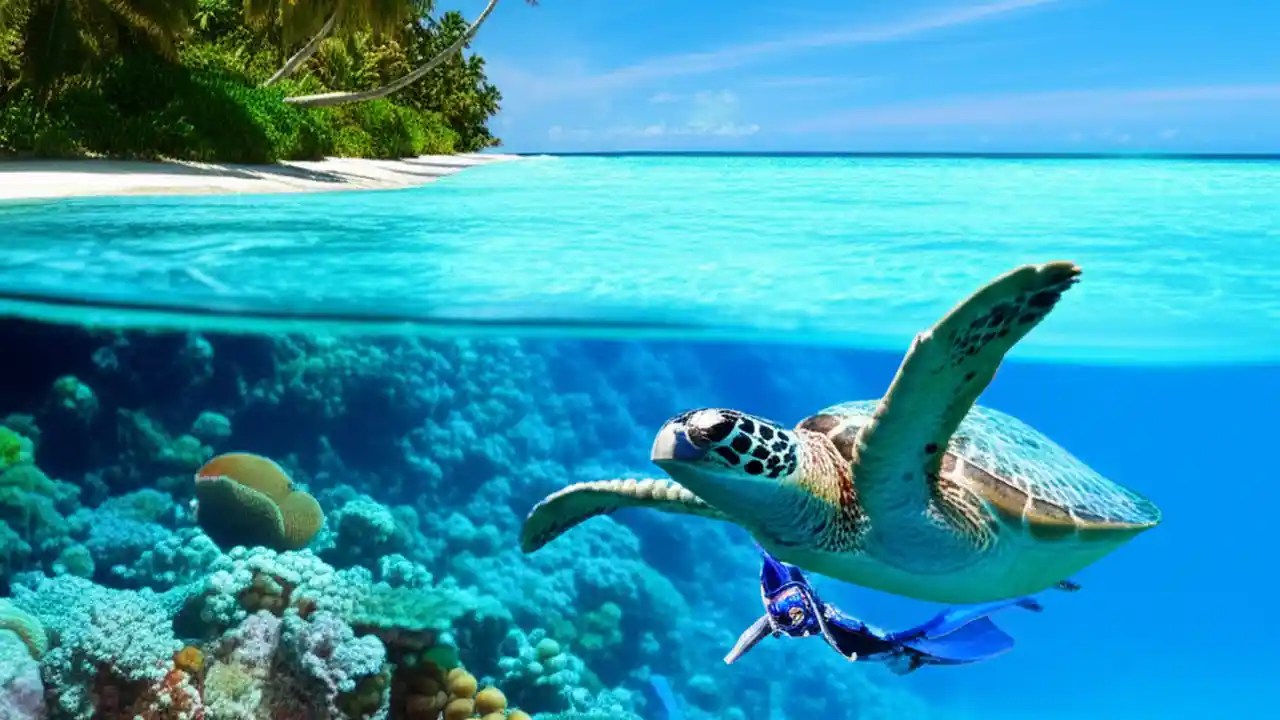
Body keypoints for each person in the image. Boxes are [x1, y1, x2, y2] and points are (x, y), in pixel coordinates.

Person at [725, 546, 1043, 674]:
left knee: (939, 625)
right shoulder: (909, 638)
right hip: (883, 627)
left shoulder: (907, 637)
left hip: (885, 624)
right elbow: (763, 625)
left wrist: (1013, 596)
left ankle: (1021, 587)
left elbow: (764, 625)